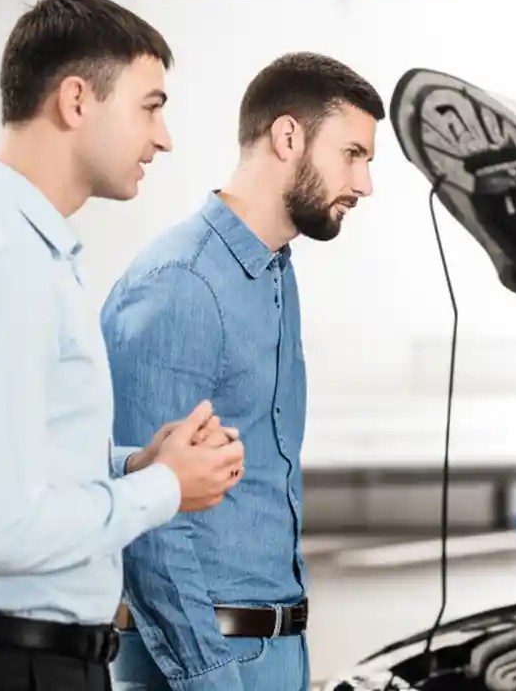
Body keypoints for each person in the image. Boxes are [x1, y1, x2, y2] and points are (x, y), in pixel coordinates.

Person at [0, 0, 246, 691]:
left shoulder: (24, 250)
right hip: (10, 667)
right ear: (76, 101)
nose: (163, 138)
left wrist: (134, 465)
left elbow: (16, 455)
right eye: (151, 107)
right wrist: (166, 489)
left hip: (35, 660)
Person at [101, 51, 385, 691]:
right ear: (289, 137)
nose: (365, 184)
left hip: (274, 651)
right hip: (200, 665)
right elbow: (148, 517)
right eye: (353, 154)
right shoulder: (182, 284)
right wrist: (212, 678)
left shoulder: (274, 274)